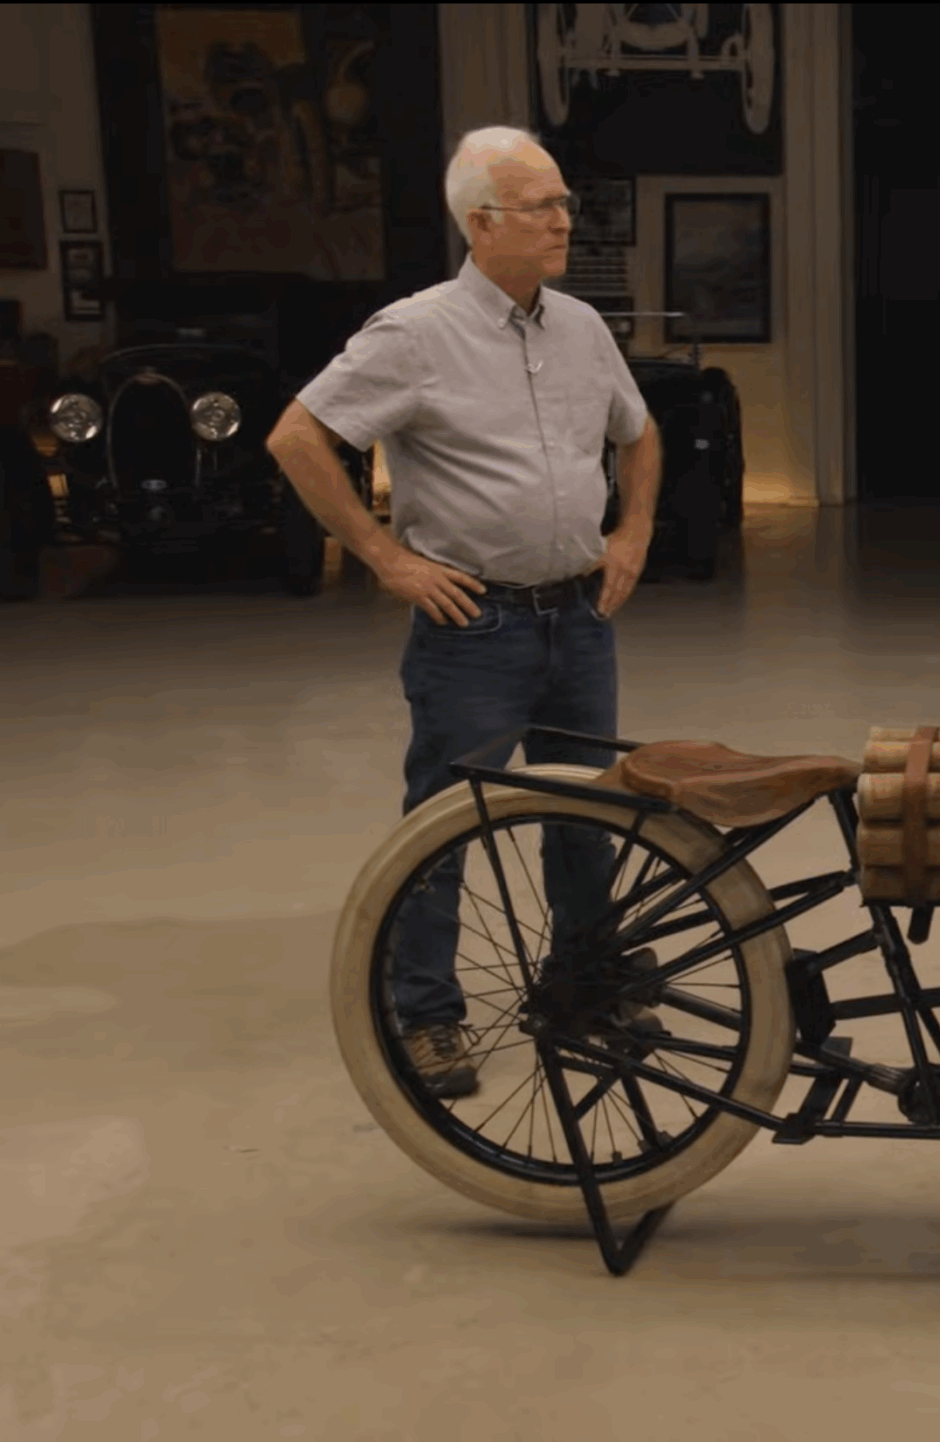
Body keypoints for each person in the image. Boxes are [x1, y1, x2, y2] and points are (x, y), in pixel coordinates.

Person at [267, 126, 661, 1098]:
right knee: (443, 828)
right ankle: (428, 1018)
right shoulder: (416, 332)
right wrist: (383, 555)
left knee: (583, 821)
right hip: (473, 628)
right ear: (483, 223)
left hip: (577, 620)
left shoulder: (580, 326)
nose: (567, 219)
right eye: (546, 206)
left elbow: (639, 434)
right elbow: (297, 436)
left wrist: (634, 531)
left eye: (566, 202)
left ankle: (582, 990)